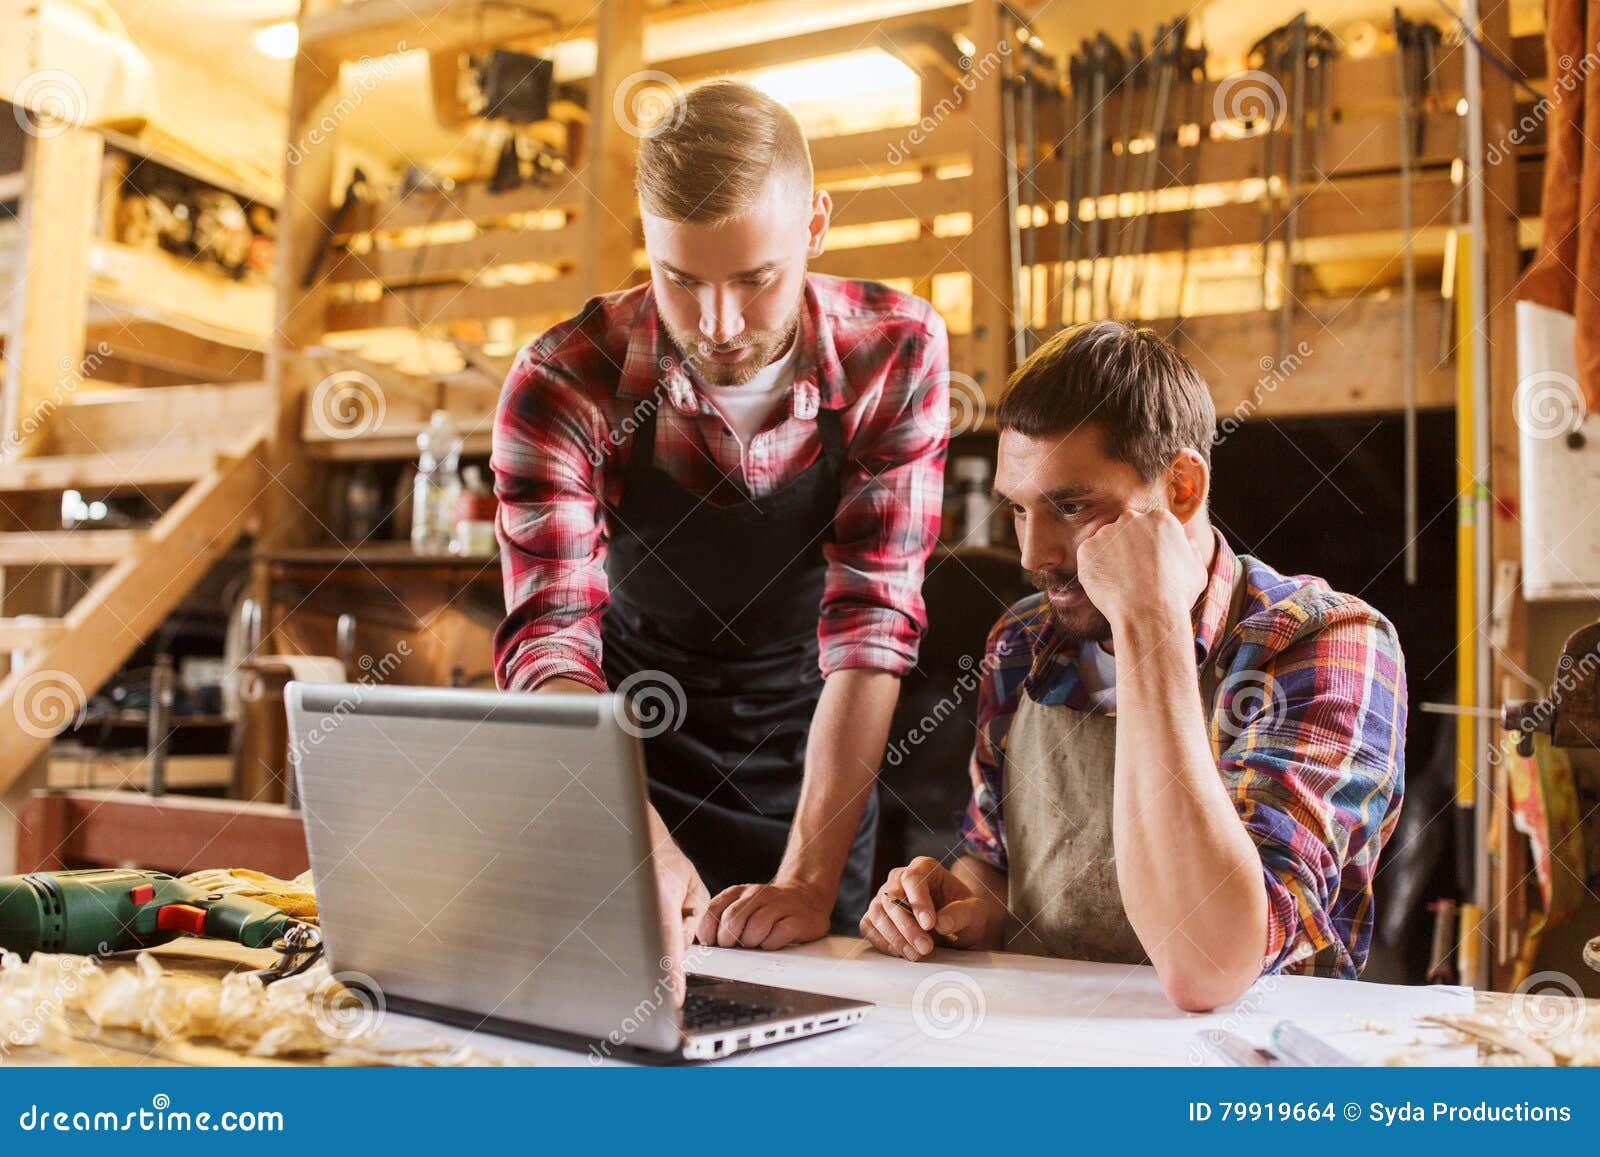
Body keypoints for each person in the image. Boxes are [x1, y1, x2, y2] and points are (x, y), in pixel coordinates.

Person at [492, 79, 950, 984]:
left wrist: (809, 878)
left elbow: (873, 623)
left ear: (815, 225)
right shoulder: (562, 379)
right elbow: (549, 642)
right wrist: (630, 840)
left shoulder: (896, 349)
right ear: (647, 240)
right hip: (624, 747)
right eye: (682, 280)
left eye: (754, 278)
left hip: (811, 749)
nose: (718, 325)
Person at [860, 321, 1406, 1011]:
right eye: (1020, 510)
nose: (1033, 554)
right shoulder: (1024, 642)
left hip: (1242, 1063)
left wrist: (1150, 618)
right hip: (1053, 1048)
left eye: (1071, 506)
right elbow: (996, 866)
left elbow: (1212, 963)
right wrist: (956, 904)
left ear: (1181, 488)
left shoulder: (1323, 643)